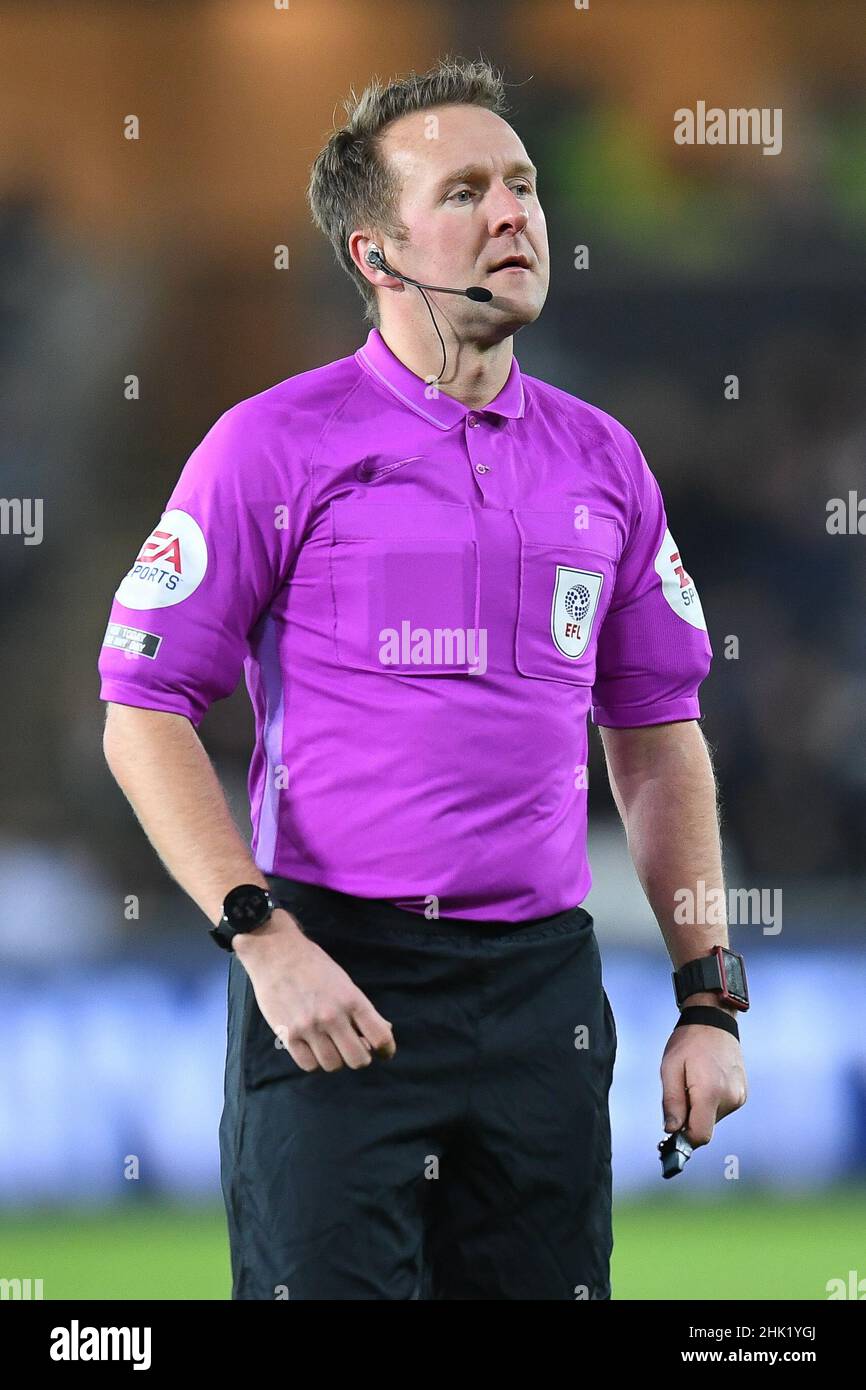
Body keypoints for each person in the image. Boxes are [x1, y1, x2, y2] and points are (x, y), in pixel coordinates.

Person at [98, 55, 748, 1300]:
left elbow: (658, 732)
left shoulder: (604, 461)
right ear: (375, 254)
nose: (512, 213)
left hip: (542, 989)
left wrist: (708, 997)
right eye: (464, 190)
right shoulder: (268, 446)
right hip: (336, 971)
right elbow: (142, 706)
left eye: (522, 184)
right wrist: (259, 936)